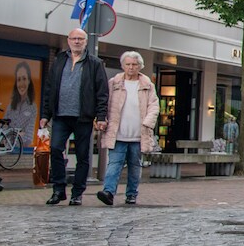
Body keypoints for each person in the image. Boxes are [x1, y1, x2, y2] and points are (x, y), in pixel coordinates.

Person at [39, 28, 109, 205]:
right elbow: (49, 89)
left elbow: (102, 92)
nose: (77, 41)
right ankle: (58, 190)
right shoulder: (59, 60)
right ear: (68, 40)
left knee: (82, 156)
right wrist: (45, 114)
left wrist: (101, 116)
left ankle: (77, 193)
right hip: (60, 115)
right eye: (74, 38)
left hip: (83, 117)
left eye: (80, 39)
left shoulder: (94, 63)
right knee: (55, 149)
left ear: (85, 42)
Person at [97, 51, 159, 206]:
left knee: (134, 165)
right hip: (118, 133)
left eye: (134, 64)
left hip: (138, 134)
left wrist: (147, 123)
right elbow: (104, 102)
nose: (131, 67)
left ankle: (131, 194)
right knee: (114, 163)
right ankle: (108, 192)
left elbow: (154, 106)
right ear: (123, 66)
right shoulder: (114, 83)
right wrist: (101, 118)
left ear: (140, 66)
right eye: (128, 64)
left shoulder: (147, 85)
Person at [7, 61, 38, 144]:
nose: (21, 83)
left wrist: (9, 134)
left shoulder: (32, 107)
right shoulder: (11, 106)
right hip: (7, 149)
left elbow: (29, 138)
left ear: (28, 81)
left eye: (24, 78)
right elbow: (1, 130)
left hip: (20, 149)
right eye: (18, 79)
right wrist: (19, 133)